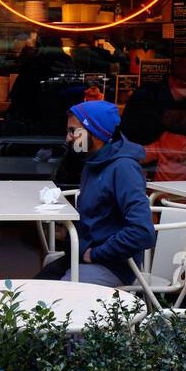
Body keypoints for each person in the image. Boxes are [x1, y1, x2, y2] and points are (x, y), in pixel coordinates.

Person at [39, 100, 157, 287]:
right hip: (83, 258)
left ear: (96, 133)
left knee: (52, 301)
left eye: (74, 131)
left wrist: (95, 254)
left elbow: (142, 232)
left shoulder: (123, 168)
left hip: (111, 266)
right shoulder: (92, 160)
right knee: (32, 288)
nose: (68, 138)